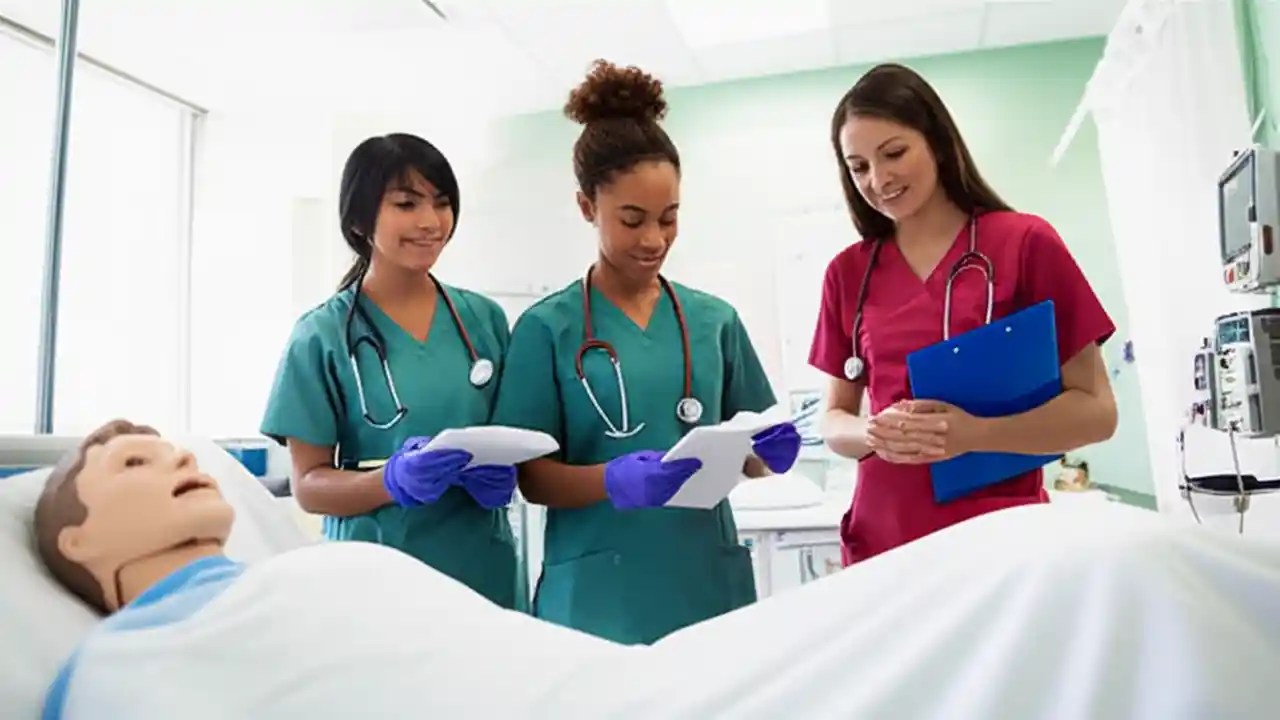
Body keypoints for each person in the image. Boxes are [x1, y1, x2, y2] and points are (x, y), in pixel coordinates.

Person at [36, 420, 1279, 719]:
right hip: (605, 653)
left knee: (1066, 553)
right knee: (1083, 571)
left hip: (646, 660)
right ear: (80, 543)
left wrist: (749, 448)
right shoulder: (138, 665)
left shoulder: (291, 583)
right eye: (137, 463)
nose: (183, 462)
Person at [489, 60, 800, 645]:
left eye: (669, 218)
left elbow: (750, 453)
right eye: (632, 220)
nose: (654, 239)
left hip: (704, 582)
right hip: (597, 594)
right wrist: (611, 480)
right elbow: (532, 480)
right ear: (587, 207)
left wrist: (768, 452)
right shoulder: (545, 330)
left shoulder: (715, 321)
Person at [809, 63, 1120, 566]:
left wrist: (974, 434)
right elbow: (833, 418)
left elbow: (1098, 411)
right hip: (885, 541)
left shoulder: (1024, 244)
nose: (878, 179)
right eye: (858, 166)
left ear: (935, 140)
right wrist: (873, 434)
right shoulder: (848, 273)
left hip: (999, 539)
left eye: (893, 153)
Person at [259, 133, 522, 609]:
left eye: (441, 204)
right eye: (406, 204)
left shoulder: (483, 320)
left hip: (482, 572)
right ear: (360, 220)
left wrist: (509, 473)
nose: (430, 222)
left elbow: (515, 438)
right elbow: (309, 486)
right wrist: (391, 481)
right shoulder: (321, 335)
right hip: (373, 579)